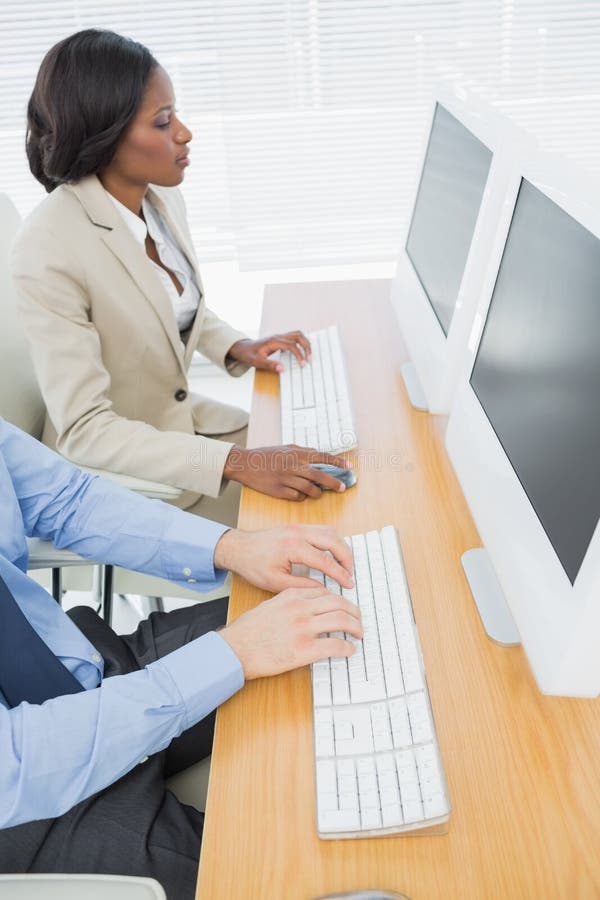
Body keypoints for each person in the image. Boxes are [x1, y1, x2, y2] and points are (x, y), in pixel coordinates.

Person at [0, 417, 361, 897]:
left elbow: (67, 499)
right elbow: (15, 762)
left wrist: (232, 547)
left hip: (80, 670)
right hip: (25, 812)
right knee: (306, 879)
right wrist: (232, 654)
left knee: (330, 614)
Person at [11, 28, 353, 527]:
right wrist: (239, 463)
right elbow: (85, 430)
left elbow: (162, 301)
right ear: (105, 137)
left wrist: (236, 345)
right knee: (324, 515)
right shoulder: (49, 248)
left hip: (181, 426)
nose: (185, 133)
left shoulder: (160, 197)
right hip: (125, 475)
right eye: (163, 121)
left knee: (338, 459)